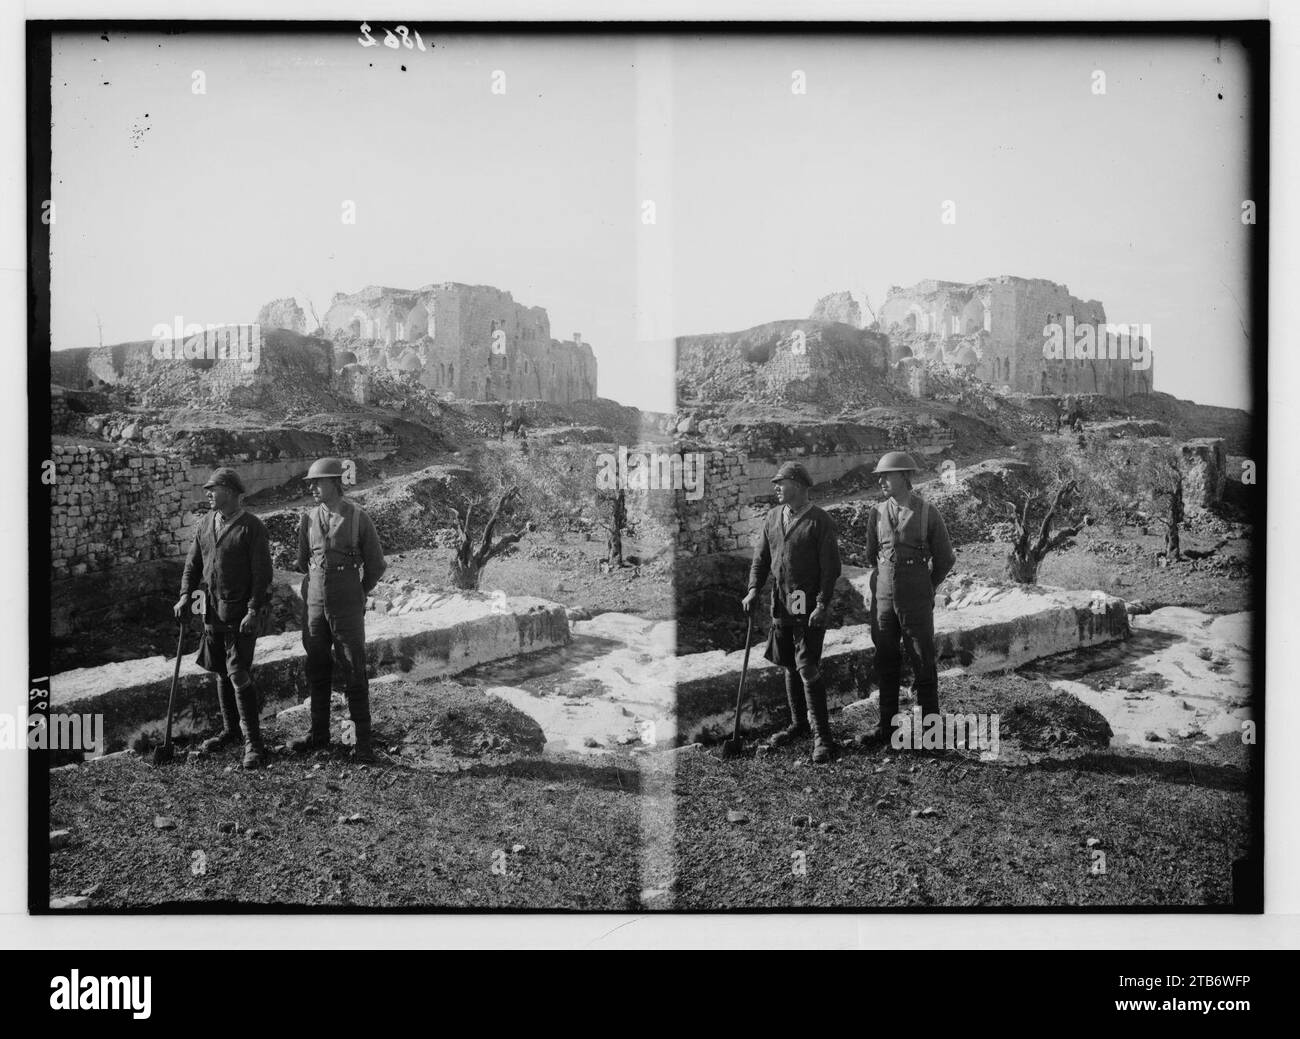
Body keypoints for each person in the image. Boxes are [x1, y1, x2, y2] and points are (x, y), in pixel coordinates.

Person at [742, 461, 842, 764]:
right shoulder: (772, 517)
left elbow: (830, 569)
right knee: (788, 663)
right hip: (781, 601)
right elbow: (761, 558)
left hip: (806, 603)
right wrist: (753, 589)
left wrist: (822, 604)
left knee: (807, 665)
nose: (776, 488)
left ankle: (823, 737)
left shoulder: (820, 521)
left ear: (797, 485)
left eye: (780, 483)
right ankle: (798, 724)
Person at [174, 467, 273, 769]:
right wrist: (184, 595)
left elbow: (262, 575)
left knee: (238, 673)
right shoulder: (206, 523)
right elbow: (193, 564)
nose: (208, 494)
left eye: (212, 489)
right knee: (220, 671)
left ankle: (254, 743)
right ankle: (231, 731)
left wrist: (254, 610)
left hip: (239, 616)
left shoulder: (252, 527)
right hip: (211, 612)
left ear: (230, 491)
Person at [290, 457, 387, 761]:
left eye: (318, 482)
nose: (313, 488)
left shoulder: (358, 517)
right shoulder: (307, 519)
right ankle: (318, 735)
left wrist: (357, 593)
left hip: (347, 600)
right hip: (315, 601)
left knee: (353, 667)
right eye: (311, 484)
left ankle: (362, 743)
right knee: (316, 665)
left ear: (335, 483)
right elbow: (302, 561)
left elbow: (376, 565)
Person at [863, 452, 956, 748]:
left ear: (904, 477)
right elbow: (871, 556)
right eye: (880, 476)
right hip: (884, 600)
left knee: (922, 660)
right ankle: (887, 729)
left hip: (916, 596)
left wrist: (926, 587)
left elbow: (945, 558)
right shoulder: (876, 513)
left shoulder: (928, 512)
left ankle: (931, 735)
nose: (881, 481)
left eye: (886, 476)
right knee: (886, 660)